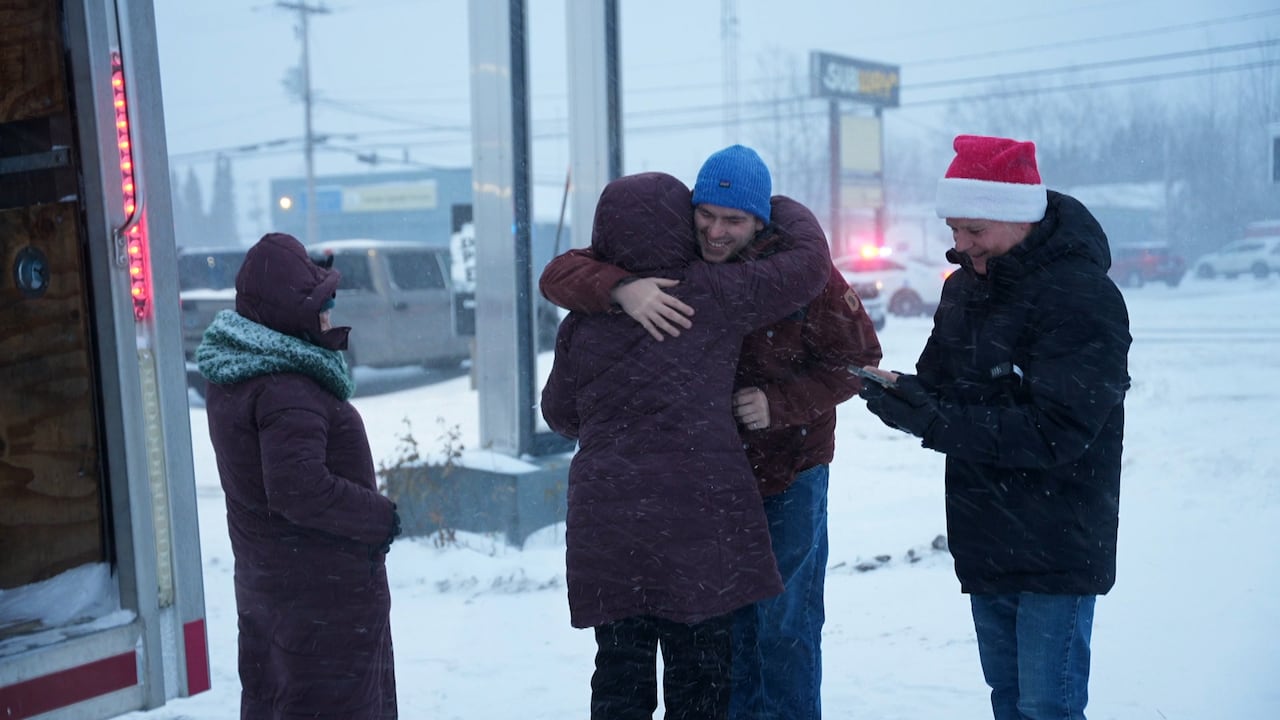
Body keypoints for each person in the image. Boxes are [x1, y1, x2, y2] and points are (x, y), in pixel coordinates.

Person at [540, 145, 882, 720]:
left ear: (761, 221)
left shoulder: (797, 278)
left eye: (735, 220)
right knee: (714, 649)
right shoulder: (691, 282)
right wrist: (622, 287)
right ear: (686, 214)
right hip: (706, 492)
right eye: (706, 215)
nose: (717, 232)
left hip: (784, 470)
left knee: (780, 630)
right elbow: (562, 270)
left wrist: (778, 404)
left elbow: (859, 362)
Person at [857, 134, 1132, 720]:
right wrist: (900, 395)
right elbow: (942, 386)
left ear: (1018, 218)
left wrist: (933, 419)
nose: (961, 245)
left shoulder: (1084, 298)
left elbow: (1056, 432)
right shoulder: (963, 290)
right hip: (986, 531)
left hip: (1059, 539)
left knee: (1045, 707)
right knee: (1008, 702)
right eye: (954, 230)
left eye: (973, 231)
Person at [196, 232, 402, 720]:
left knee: (280, 702)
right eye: (320, 302)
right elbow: (298, 489)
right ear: (289, 311)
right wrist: (379, 517)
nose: (329, 313)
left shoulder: (239, 375)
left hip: (276, 589)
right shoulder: (286, 387)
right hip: (322, 604)